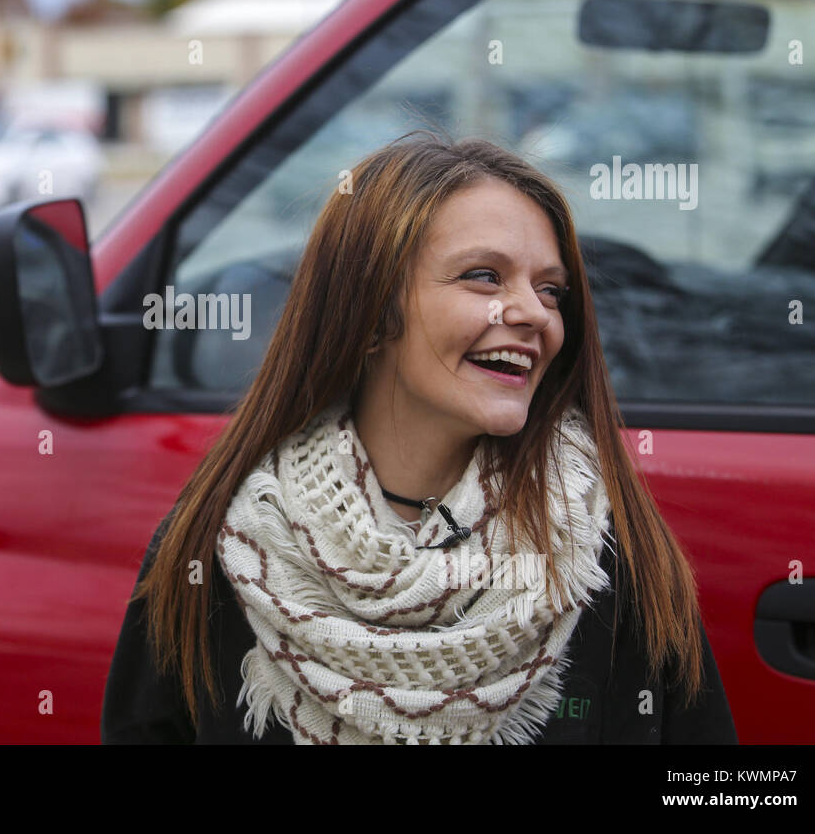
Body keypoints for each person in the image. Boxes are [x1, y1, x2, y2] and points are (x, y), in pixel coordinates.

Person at [101, 132, 738, 745]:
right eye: (484, 277)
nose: (534, 313)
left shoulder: (602, 549)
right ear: (372, 316)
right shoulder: (228, 545)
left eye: (551, 290)